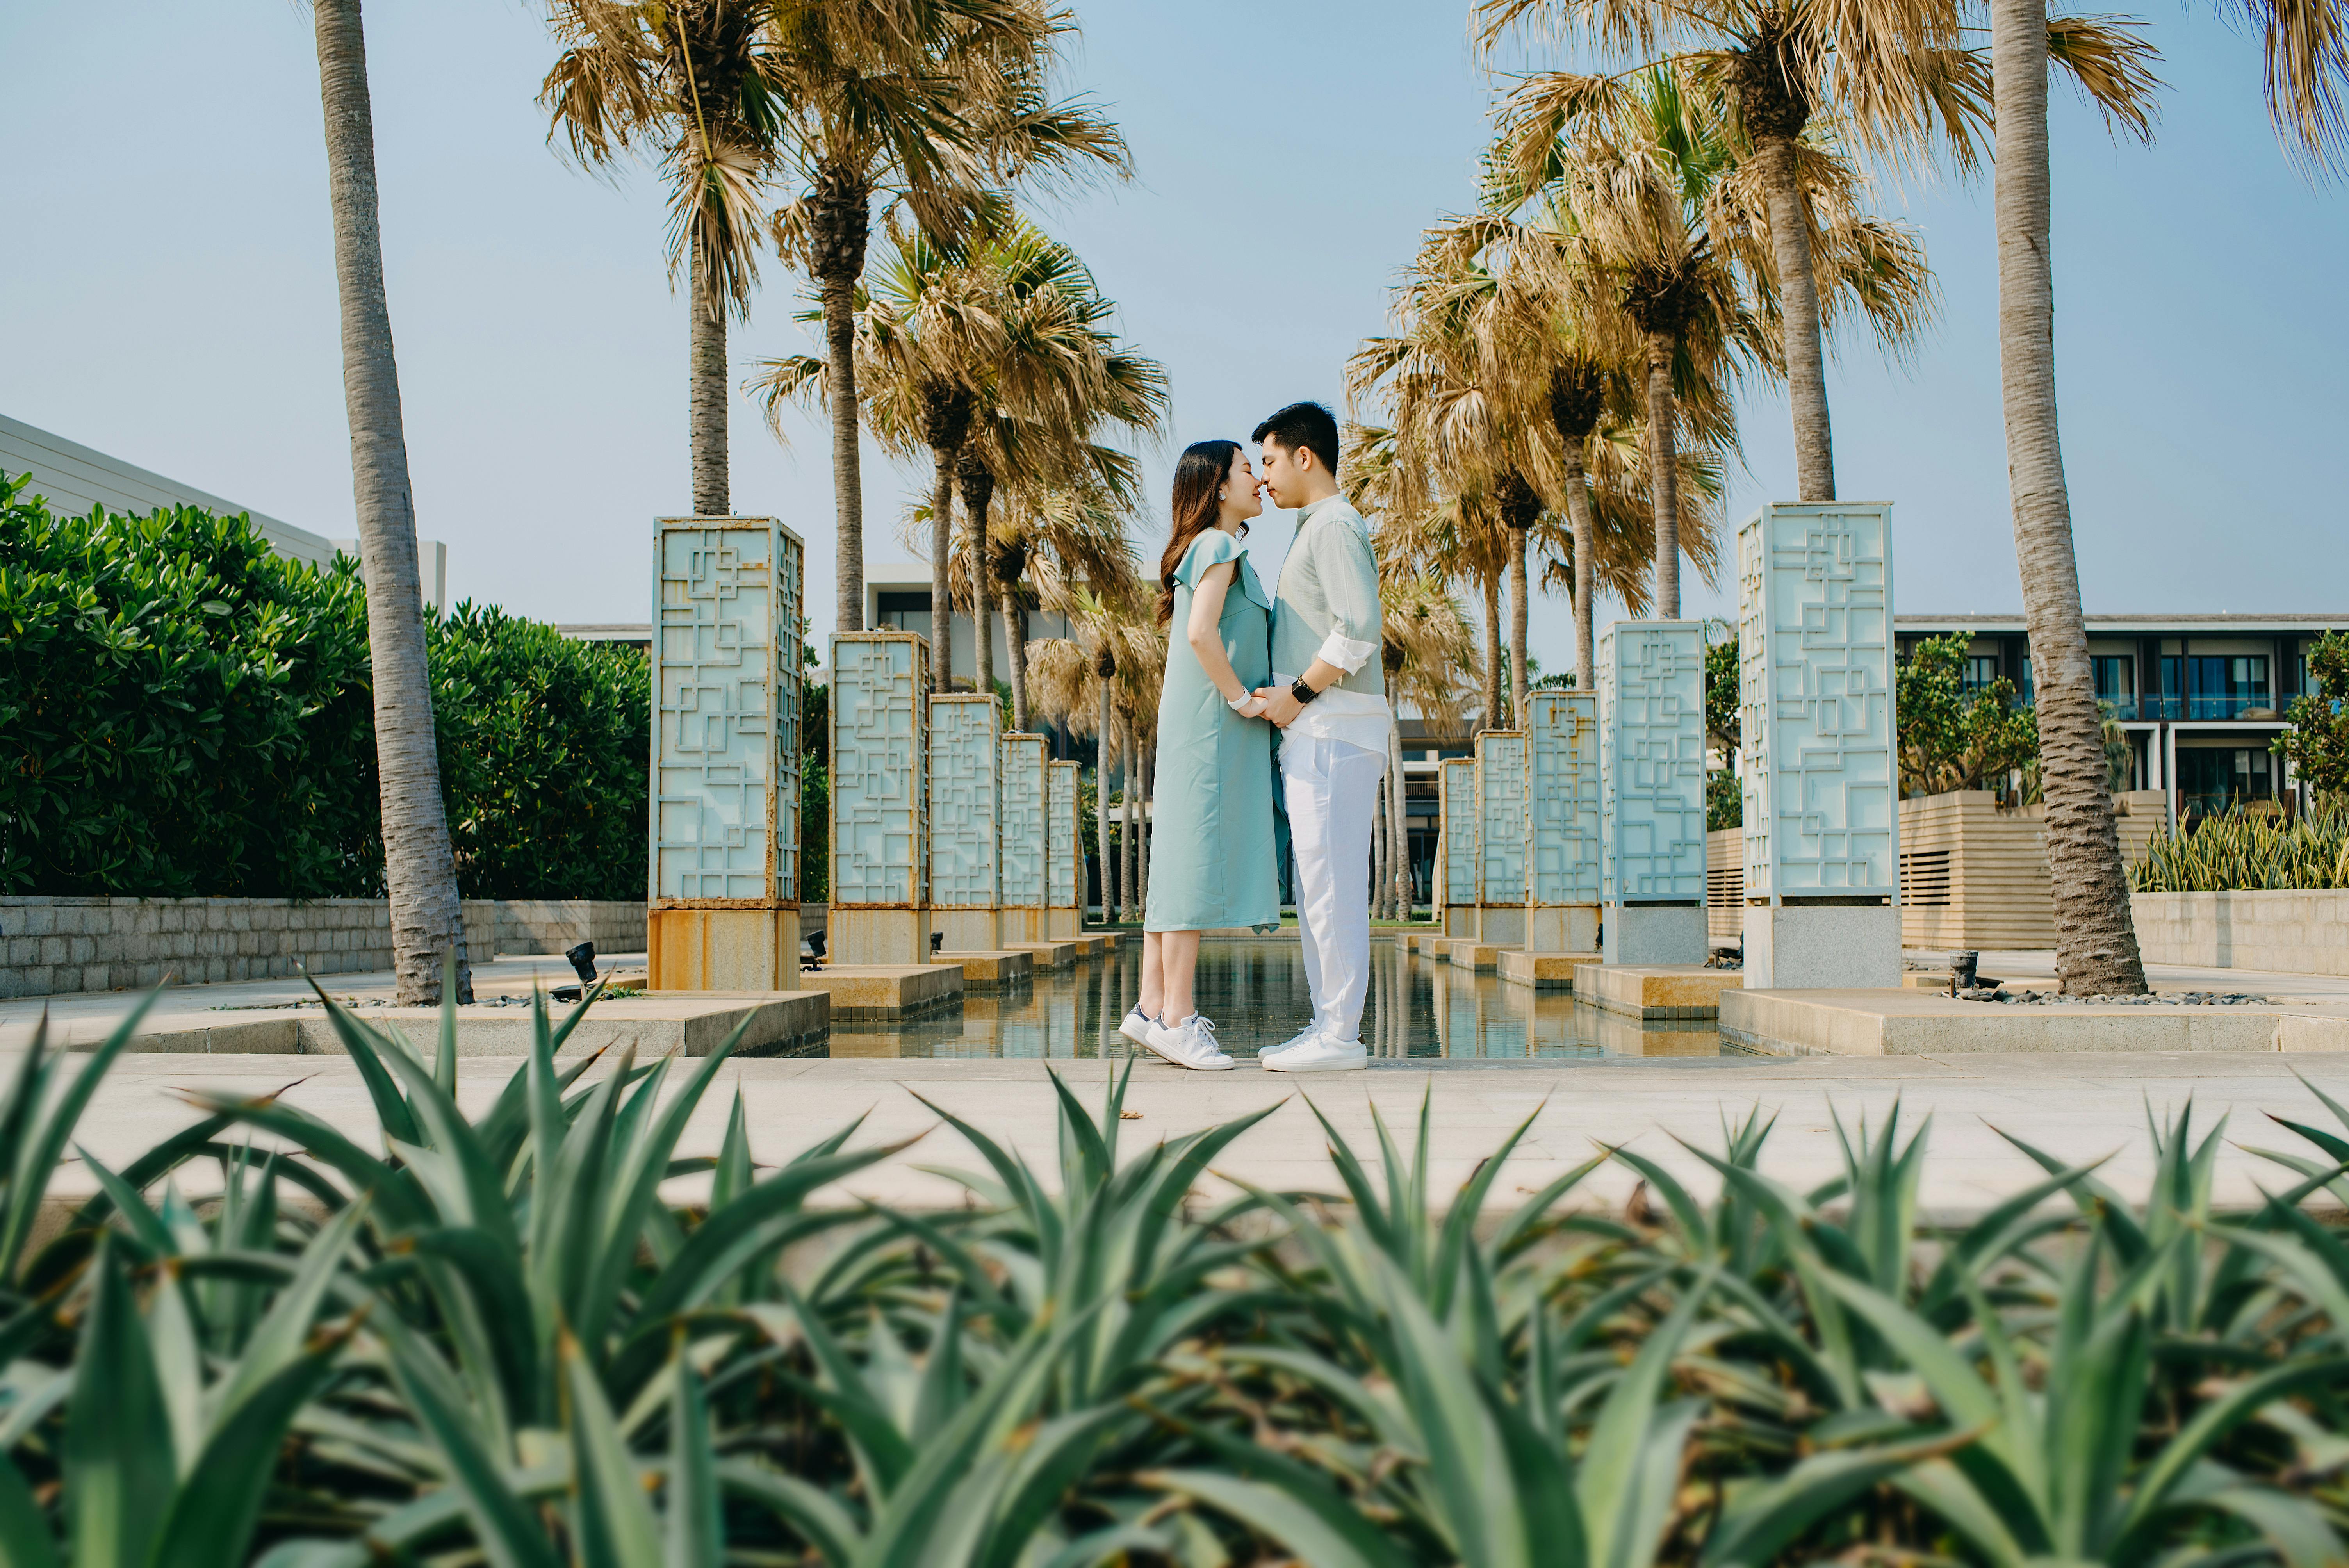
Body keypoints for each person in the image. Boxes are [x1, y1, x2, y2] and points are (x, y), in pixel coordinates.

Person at [1116, 439, 1281, 1071]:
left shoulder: (1212, 548)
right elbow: (1200, 632)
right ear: (1218, 487)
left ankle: (1151, 1007)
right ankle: (1179, 1019)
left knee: (1179, 862)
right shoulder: (1219, 545)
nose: (1258, 480)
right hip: (1214, 725)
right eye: (1248, 470)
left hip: (1197, 726)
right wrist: (1242, 699)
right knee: (1192, 866)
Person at [1248, 401, 1384, 1073]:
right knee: (1318, 886)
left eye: (1269, 461)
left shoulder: (1333, 524)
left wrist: (1298, 696)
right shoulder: (1316, 527)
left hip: (1331, 730)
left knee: (1327, 887)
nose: (1264, 477)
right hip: (1322, 732)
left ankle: (1339, 1037)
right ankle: (1331, 1027)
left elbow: (1358, 625)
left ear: (1306, 457)